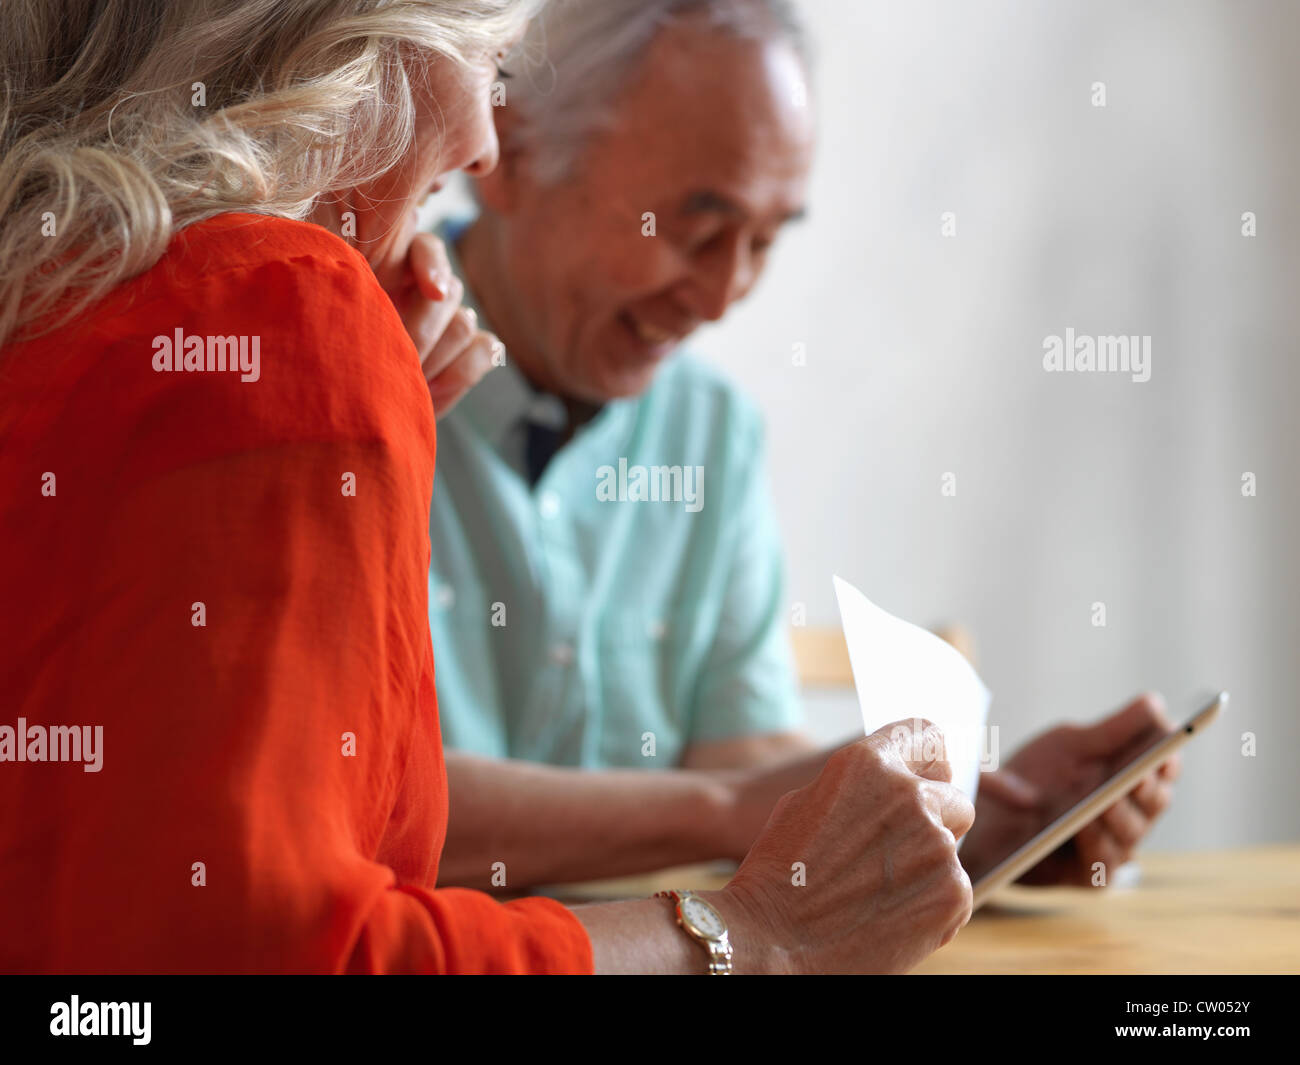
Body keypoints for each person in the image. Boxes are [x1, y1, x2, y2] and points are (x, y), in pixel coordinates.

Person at [0, 0, 978, 975]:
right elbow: (283, 950)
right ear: (344, 44)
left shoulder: (71, 301)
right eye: (487, 60)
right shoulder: (285, 321)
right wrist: (757, 937)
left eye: (764, 242)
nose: (476, 144)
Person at [425, 0, 1181, 894]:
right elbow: (352, 813)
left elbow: (744, 762)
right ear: (506, 155)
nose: (724, 296)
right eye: (697, 229)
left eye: (766, 239)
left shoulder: (710, 432)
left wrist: (968, 817)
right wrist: (728, 806)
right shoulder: (345, 381)